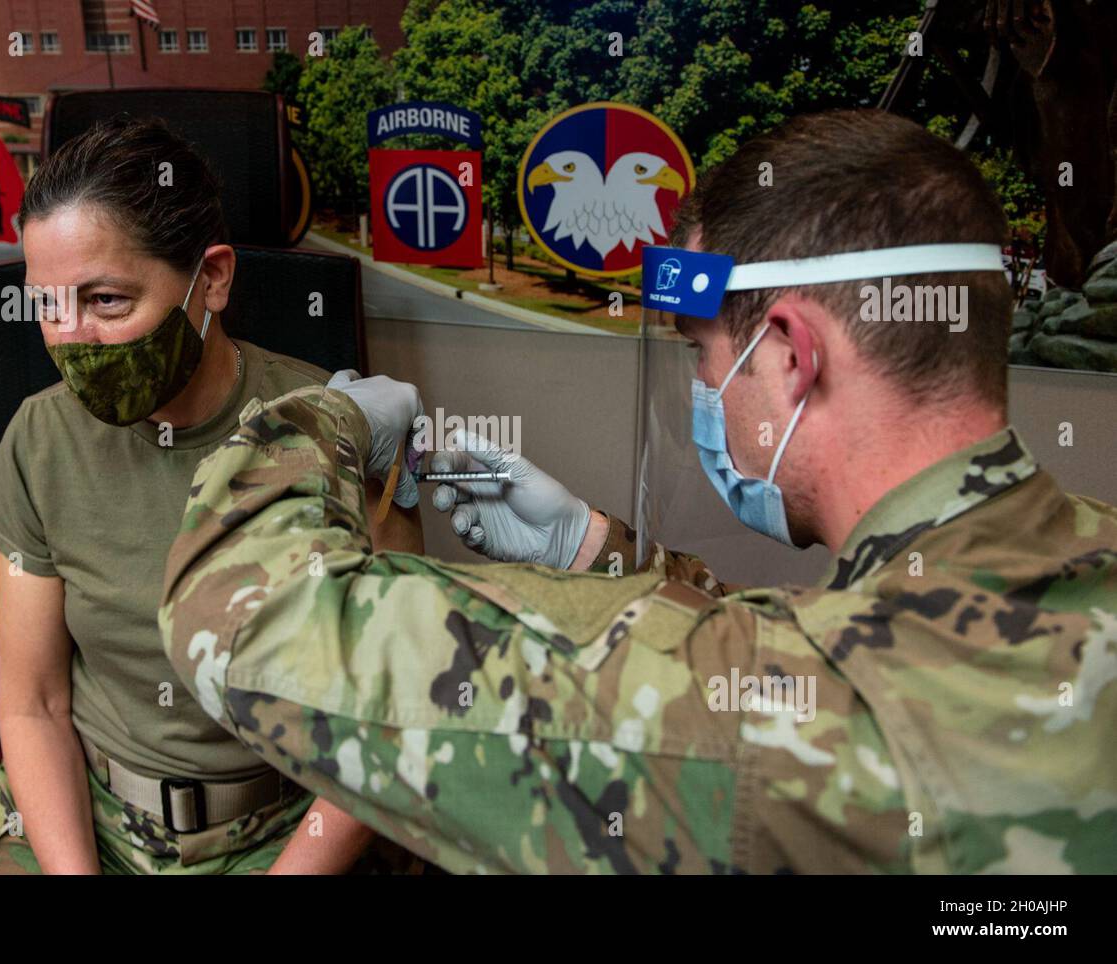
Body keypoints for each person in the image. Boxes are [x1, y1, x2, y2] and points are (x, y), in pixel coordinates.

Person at [156, 109, 1117, 873]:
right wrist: (593, 552)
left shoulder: (783, 723)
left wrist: (336, 420)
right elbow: (855, 638)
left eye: (706, 356)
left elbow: (245, 616)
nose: (706, 392)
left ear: (790, 353)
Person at [0, 116, 422, 875]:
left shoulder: (340, 433)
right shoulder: (40, 440)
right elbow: (33, 705)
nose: (71, 340)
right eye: (48, 306)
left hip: (287, 828)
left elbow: (392, 715)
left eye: (105, 301)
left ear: (213, 279)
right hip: (86, 812)